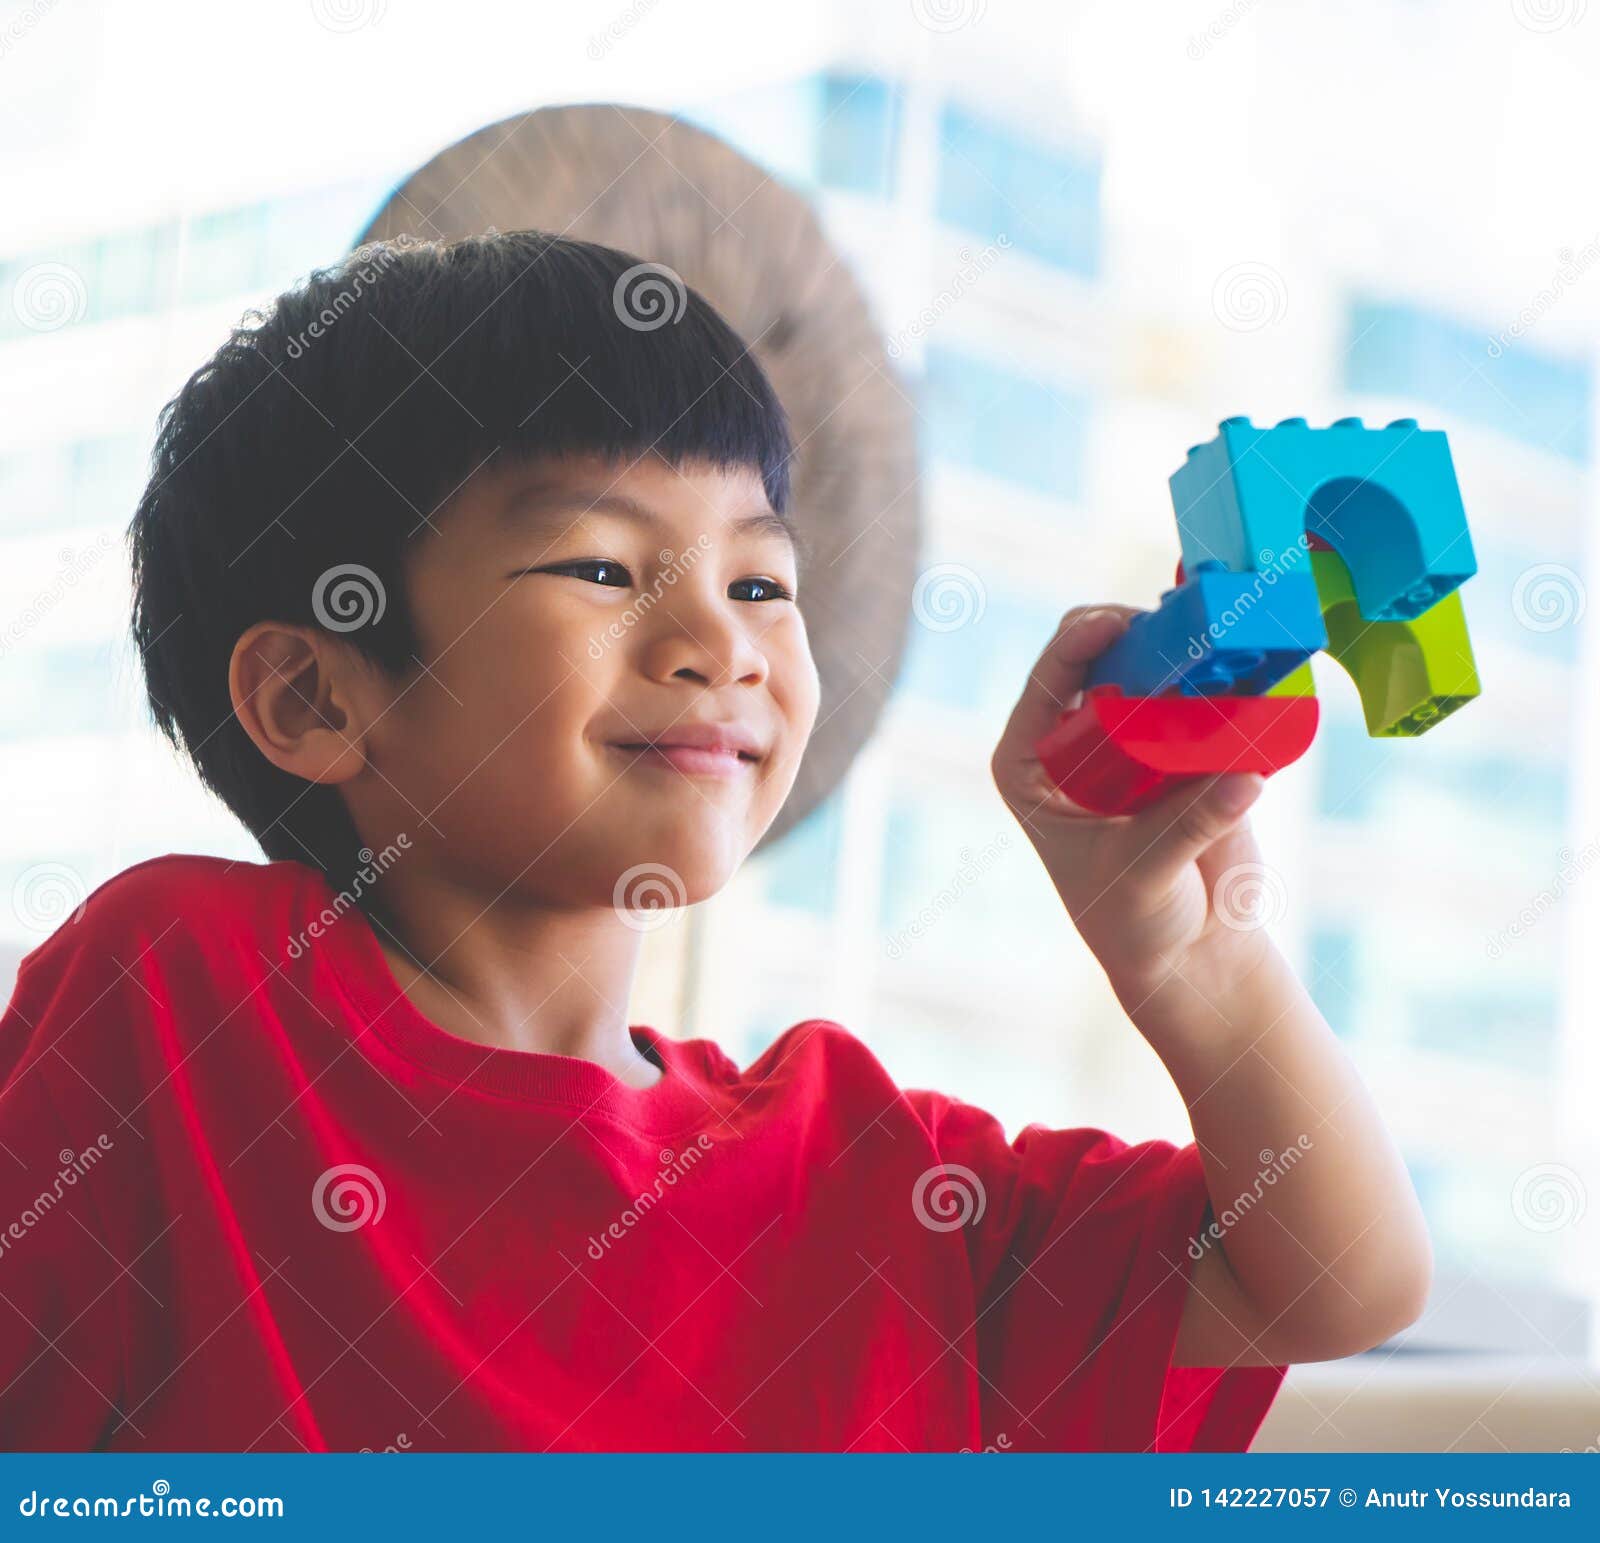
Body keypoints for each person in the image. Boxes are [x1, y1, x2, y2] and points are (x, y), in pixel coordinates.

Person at [0, 231, 1430, 1451]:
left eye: (761, 577)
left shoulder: (867, 1171)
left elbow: (1329, 1282)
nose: (721, 643)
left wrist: (1191, 964)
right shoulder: (182, 999)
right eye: (606, 567)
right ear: (317, 693)